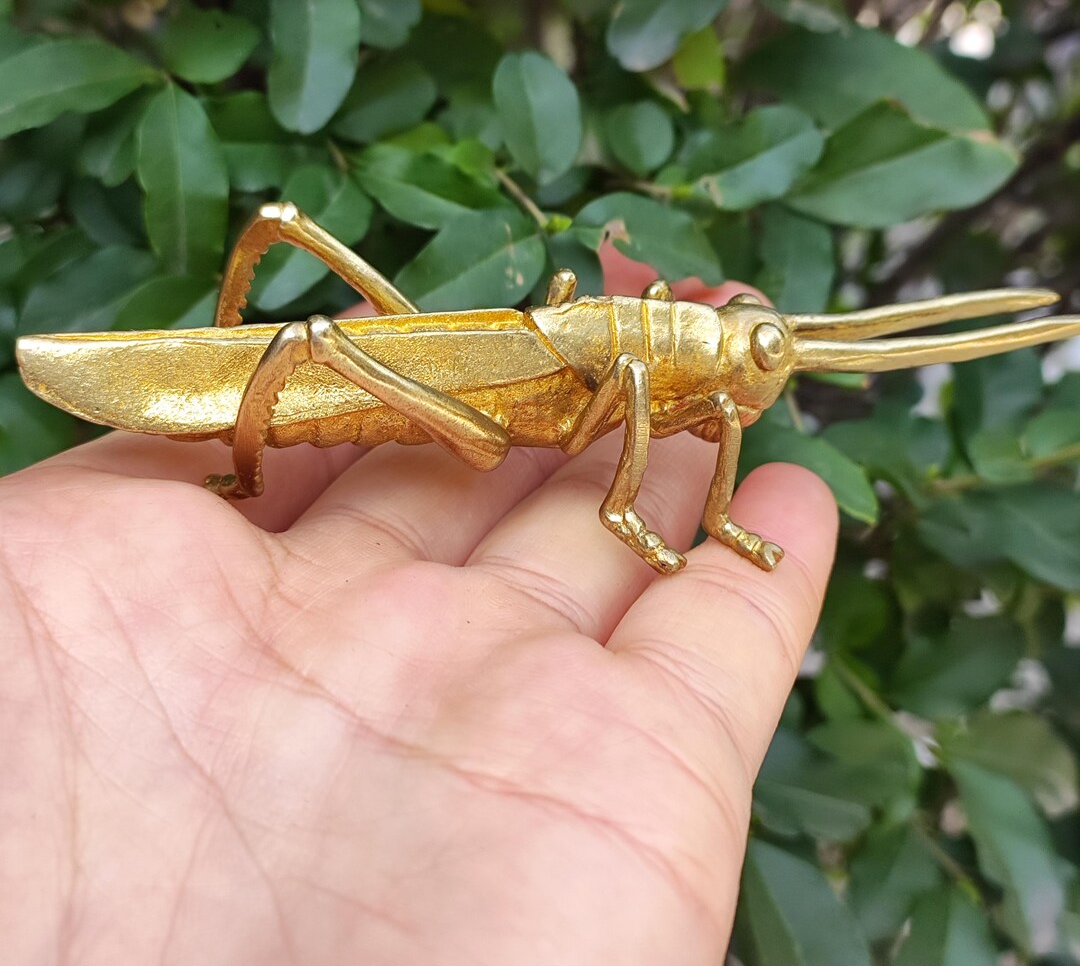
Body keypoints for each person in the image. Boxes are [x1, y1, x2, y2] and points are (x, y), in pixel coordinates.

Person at [0, 249, 838, 964]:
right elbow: (632, 381)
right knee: (311, 341)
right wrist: (628, 516)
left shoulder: (687, 380)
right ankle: (245, 455)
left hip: (519, 372)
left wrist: (718, 515)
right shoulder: (639, 368)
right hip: (463, 400)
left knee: (694, 398)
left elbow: (690, 397)